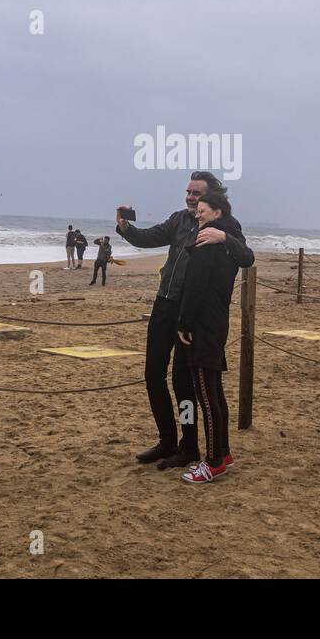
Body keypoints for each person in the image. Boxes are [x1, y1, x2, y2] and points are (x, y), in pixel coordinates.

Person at [117, 171, 254, 469]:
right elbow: (149, 237)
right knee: (153, 375)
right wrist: (126, 227)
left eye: (197, 194)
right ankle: (166, 440)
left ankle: (188, 445)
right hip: (164, 305)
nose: (191, 198)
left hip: (189, 314)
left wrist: (224, 237)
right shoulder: (179, 219)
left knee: (183, 383)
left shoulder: (221, 225)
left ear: (211, 198)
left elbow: (245, 256)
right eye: (189, 192)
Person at [177, 189, 241, 483]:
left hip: (203, 325)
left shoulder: (208, 241)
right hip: (217, 322)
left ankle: (214, 461)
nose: (198, 215)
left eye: (202, 210)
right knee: (215, 391)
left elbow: (195, 288)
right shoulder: (226, 237)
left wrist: (184, 323)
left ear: (217, 212)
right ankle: (223, 453)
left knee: (206, 394)